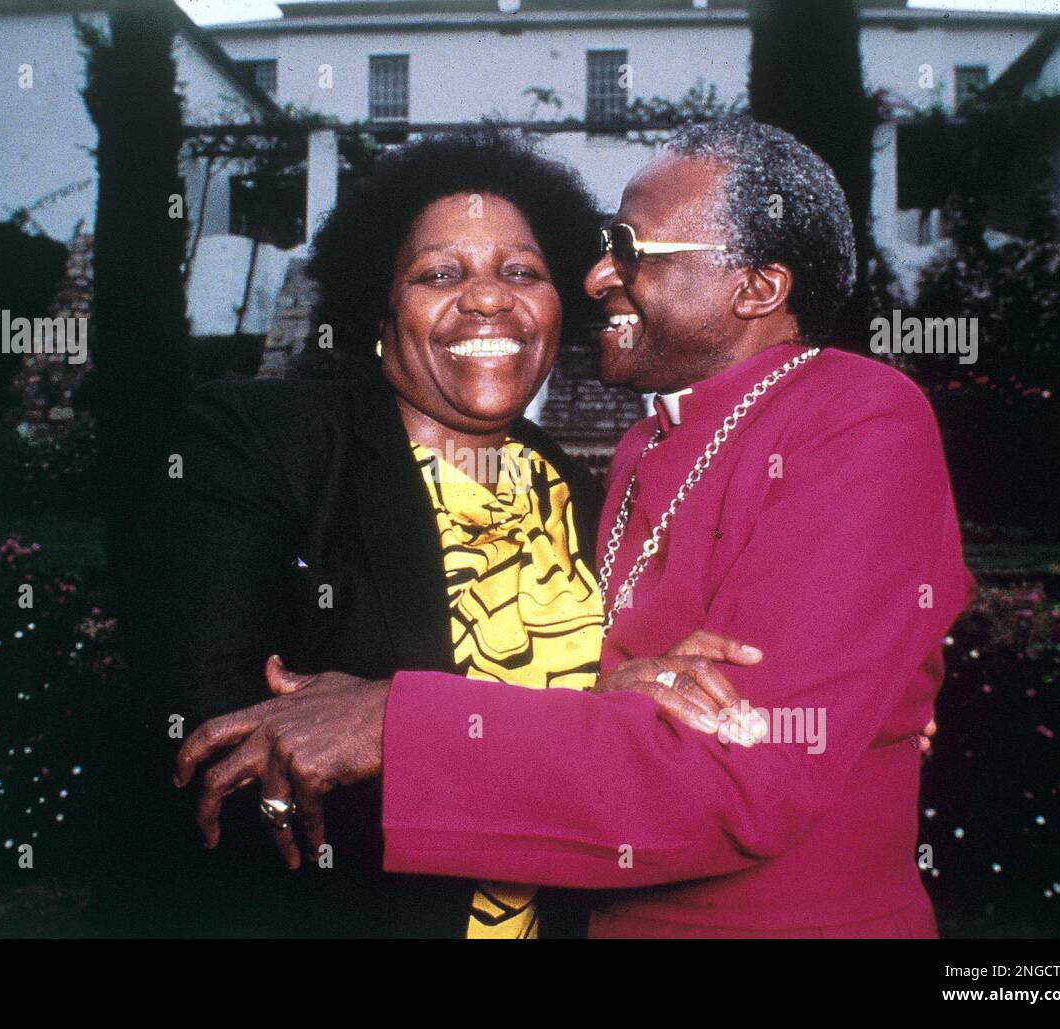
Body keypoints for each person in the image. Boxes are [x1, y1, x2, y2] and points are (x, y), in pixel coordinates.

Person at [176, 118, 972, 938]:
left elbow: (740, 772)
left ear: (757, 288)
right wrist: (611, 699)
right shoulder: (631, 456)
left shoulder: (858, 417)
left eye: (628, 249)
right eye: (439, 272)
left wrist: (392, 720)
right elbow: (228, 740)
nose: (597, 276)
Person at [119, 129, 763, 939]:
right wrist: (575, 726)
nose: (488, 298)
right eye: (440, 273)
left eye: (522, 271)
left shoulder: (577, 487)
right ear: (380, 308)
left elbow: (670, 687)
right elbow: (215, 748)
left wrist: (883, 699)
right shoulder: (261, 443)